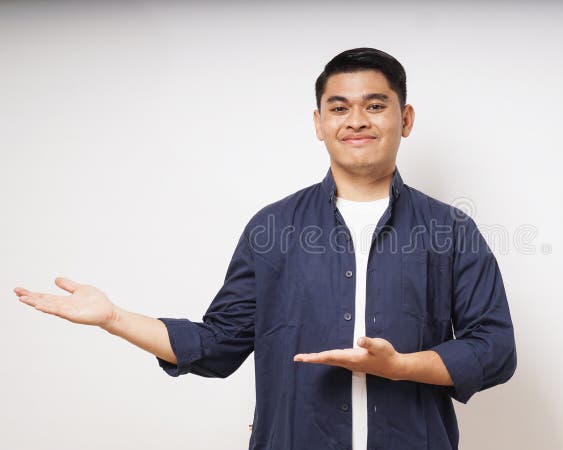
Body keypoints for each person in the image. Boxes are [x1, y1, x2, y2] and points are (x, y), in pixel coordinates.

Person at [14, 47, 517, 450]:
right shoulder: (272, 227)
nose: (356, 120)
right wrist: (113, 317)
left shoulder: (451, 230)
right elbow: (216, 344)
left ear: (404, 119)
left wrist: (401, 366)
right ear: (319, 123)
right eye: (338, 108)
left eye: (375, 105)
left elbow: (494, 351)